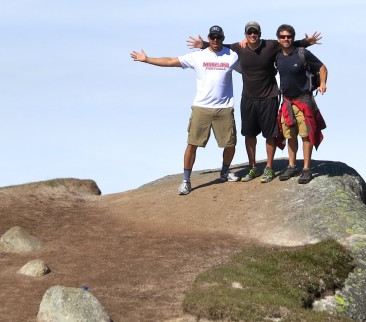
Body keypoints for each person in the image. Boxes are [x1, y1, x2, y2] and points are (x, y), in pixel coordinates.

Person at [188, 22, 320, 183]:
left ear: (259, 33)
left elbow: (289, 42)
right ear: (245, 34)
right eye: (249, 33)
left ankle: (269, 169)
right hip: (248, 98)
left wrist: (307, 42)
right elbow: (222, 45)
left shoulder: (270, 45)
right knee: (249, 134)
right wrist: (204, 45)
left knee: (270, 134)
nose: (252, 35)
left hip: (269, 97)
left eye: (255, 32)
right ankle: (253, 168)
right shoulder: (239, 47)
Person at [131, 25, 240, 196]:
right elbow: (170, 61)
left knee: (230, 144)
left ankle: (225, 172)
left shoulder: (231, 55)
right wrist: (147, 59)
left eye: (219, 37)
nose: (216, 40)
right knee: (192, 144)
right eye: (213, 37)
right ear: (209, 38)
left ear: (223, 38)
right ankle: (186, 181)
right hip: (201, 107)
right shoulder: (198, 56)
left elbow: (251, 66)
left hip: (224, 108)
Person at [273, 24, 327, 185]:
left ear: (293, 38)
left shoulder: (303, 53)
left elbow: (322, 67)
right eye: (282, 37)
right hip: (287, 101)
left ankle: (306, 169)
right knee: (290, 135)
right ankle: (291, 166)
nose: (286, 39)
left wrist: (322, 83)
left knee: (306, 135)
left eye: (289, 36)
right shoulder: (277, 55)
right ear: (278, 39)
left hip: (304, 100)